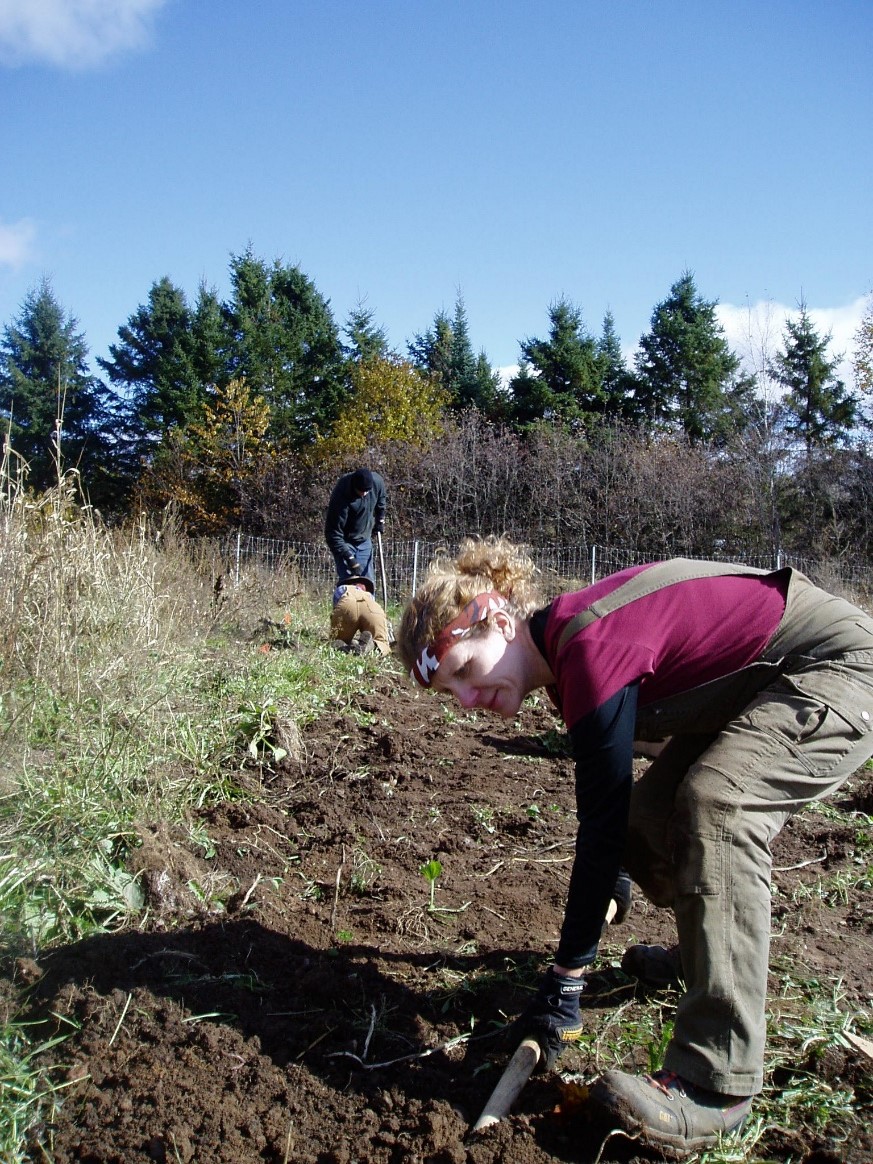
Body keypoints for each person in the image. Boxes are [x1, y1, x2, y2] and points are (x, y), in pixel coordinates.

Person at [396, 536, 873, 1157]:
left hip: (838, 665)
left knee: (718, 808)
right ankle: (712, 951)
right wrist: (613, 882)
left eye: (463, 671)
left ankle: (714, 1083)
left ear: (502, 620)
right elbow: (616, 819)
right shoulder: (568, 657)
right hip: (761, 684)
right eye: (449, 693)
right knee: (648, 818)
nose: (465, 700)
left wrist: (565, 981)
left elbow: (596, 832)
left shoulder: (588, 648)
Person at [325, 468, 387, 586]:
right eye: (361, 491)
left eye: (367, 491)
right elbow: (333, 533)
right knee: (349, 583)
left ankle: (368, 604)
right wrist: (349, 558)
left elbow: (381, 499)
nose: (364, 494)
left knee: (367, 583)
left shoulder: (376, 481)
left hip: (364, 540)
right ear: (354, 485)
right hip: (345, 542)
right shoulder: (341, 495)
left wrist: (380, 519)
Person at [330, 575, 392, 657]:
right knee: (381, 642)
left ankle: (344, 646)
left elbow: (336, 609)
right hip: (371, 606)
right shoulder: (369, 594)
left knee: (337, 639)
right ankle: (372, 645)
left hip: (347, 603)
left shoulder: (342, 588)